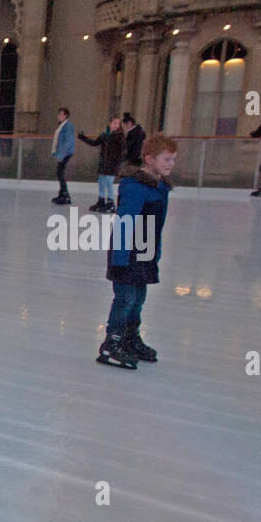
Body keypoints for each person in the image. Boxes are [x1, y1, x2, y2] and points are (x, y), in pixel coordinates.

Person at [97, 134, 177, 369]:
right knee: (125, 298)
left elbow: (155, 227)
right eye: (166, 159)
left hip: (145, 253)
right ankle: (112, 343)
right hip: (127, 253)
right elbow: (124, 222)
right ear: (149, 159)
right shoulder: (135, 186)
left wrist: (155, 254)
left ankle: (130, 338)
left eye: (173, 159)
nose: (170, 164)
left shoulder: (159, 186)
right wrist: (119, 259)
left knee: (138, 298)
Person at [79, 116, 125, 212]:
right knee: (101, 182)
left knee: (109, 183)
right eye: (114, 123)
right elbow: (95, 143)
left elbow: (123, 151)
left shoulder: (120, 136)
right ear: (110, 124)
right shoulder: (105, 135)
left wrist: (118, 162)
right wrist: (83, 138)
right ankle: (101, 200)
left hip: (112, 164)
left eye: (118, 123)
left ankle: (111, 202)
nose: (116, 125)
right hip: (104, 163)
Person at [51, 107, 76, 205]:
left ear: (66, 116)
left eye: (62, 114)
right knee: (59, 172)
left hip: (65, 153)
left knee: (60, 172)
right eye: (59, 114)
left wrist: (61, 155)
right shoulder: (61, 125)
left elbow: (68, 141)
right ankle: (62, 193)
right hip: (62, 153)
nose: (60, 116)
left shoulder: (68, 126)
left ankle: (65, 195)